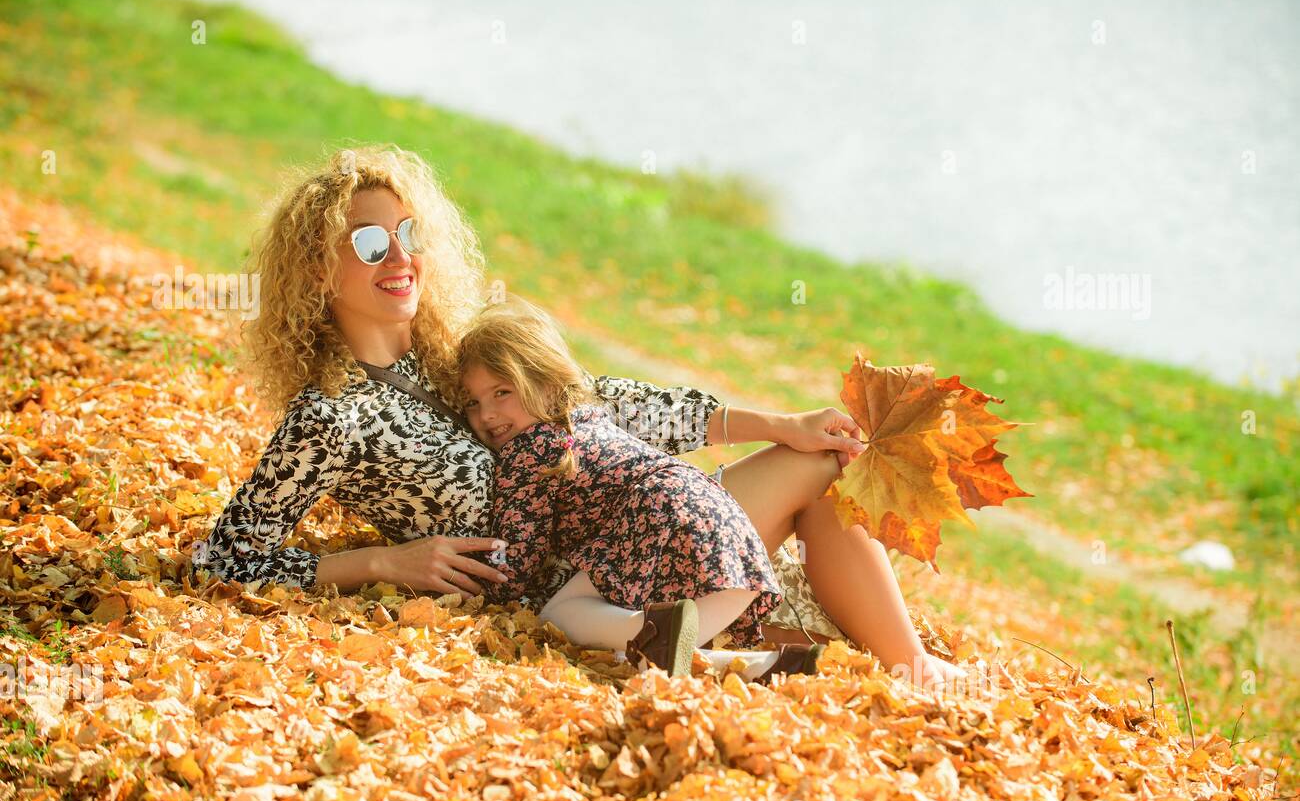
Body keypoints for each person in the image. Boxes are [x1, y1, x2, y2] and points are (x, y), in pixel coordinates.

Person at [194, 144, 965, 693]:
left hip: (624, 521)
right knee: (811, 483)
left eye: (409, 234)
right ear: (317, 269)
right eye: (367, 242)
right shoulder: (329, 413)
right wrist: (382, 562)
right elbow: (223, 558)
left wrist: (775, 420)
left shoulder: (453, 354)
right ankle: (894, 666)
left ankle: (906, 663)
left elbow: (593, 403)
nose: (398, 257)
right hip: (566, 580)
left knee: (817, 462)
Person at [458, 296, 824, 682]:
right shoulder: (592, 417)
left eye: (502, 392)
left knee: (561, 615)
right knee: (656, 655)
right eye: (472, 403)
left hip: (655, 508)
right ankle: (770, 668)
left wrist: (491, 593)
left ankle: (650, 630)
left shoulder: (527, 450)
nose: (488, 414)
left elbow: (519, 550)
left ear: (548, 384)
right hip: (732, 535)